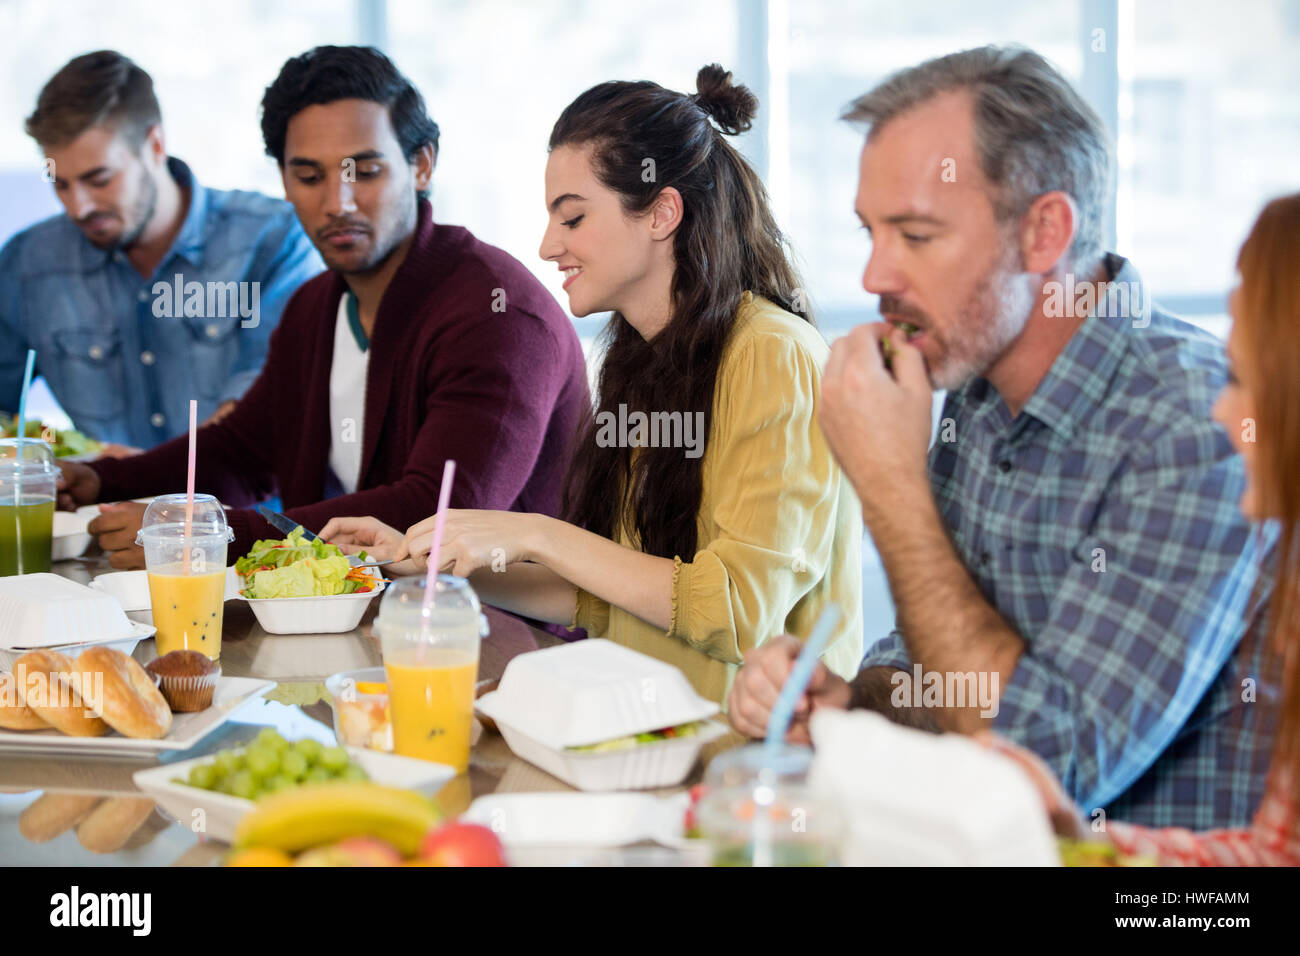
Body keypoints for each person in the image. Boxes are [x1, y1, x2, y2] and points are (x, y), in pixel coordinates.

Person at [726, 45, 1274, 828]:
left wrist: (889, 485)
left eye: (915, 235)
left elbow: (1047, 766)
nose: (874, 276)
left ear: (1046, 232)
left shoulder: (1194, 428)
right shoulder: (977, 380)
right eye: (870, 232)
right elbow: (935, 656)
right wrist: (851, 705)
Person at [323, 66, 864, 705]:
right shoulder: (643, 358)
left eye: (573, 218)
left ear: (662, 212)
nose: (549, 244)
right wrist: (425, 560)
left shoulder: (772, 354)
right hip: (648, 736)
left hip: (746, 760)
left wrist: (532, 532)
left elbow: (738, 611)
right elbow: (603, 599)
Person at [56, 46, 590, 568]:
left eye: (367, 171)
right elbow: (244, 448)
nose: (339, 202)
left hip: (507, 635)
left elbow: (438, 510)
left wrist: (220, 536)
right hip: (362, 619)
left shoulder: (499, 315)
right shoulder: (316, 305)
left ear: (422, 166)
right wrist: (103, 479)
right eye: (310, 177)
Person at [989, 195, 1300, 863]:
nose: (1223, 411)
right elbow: (1277, 852)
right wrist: (1076, 841)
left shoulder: (1178, 433)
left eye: (1244, 379)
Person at [0, 50, 321, 450]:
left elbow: (263, 418)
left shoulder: (273, 241)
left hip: (247, 513)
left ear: (154, 145)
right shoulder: (27, 263)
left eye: (98, 179)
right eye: (60, 184)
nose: (77, 207)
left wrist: (129, 476)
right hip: (98, 512)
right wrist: (50, 455)